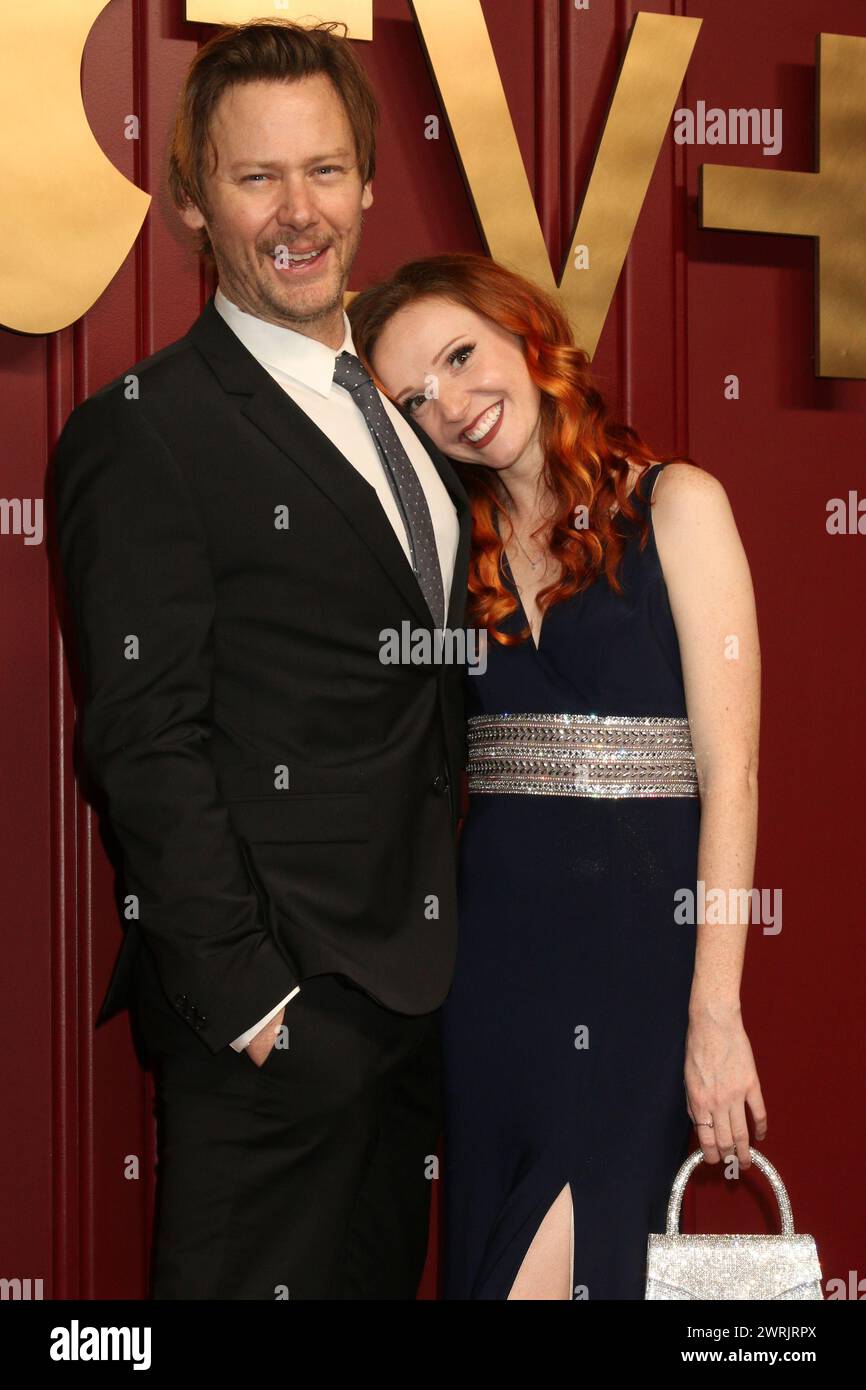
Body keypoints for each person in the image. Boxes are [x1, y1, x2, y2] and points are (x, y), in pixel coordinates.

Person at [51, 21, 471, 1299]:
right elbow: (141, 736)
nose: (301, 213)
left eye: (326, 171)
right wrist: (249, 998)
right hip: (276, 1032)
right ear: (191, 199)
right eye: (257, 178)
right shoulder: (148, 432)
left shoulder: (416, 407)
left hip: (418, 1016)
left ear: (365, 183)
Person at [348, 252, 768, 1300]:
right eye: (415, 397)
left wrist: (712, 1013)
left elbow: (733, 773)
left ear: (524, 334)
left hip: (640, 969)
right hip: (494, 978)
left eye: (458, 355)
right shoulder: (450, 556)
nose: (450, 402)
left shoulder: (678, 504)